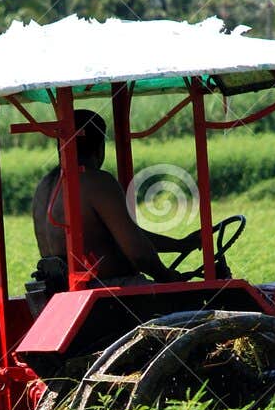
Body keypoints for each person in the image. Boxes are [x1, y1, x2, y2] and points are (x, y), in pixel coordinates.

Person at [31, 108, 203, 283]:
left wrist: (179, 245)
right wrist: (167, 277)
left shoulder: (43, 187)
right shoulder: (97, 182)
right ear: (99, 147)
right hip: (109, 293)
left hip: (60, 293)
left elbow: (123, 234)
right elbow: (138, 252)